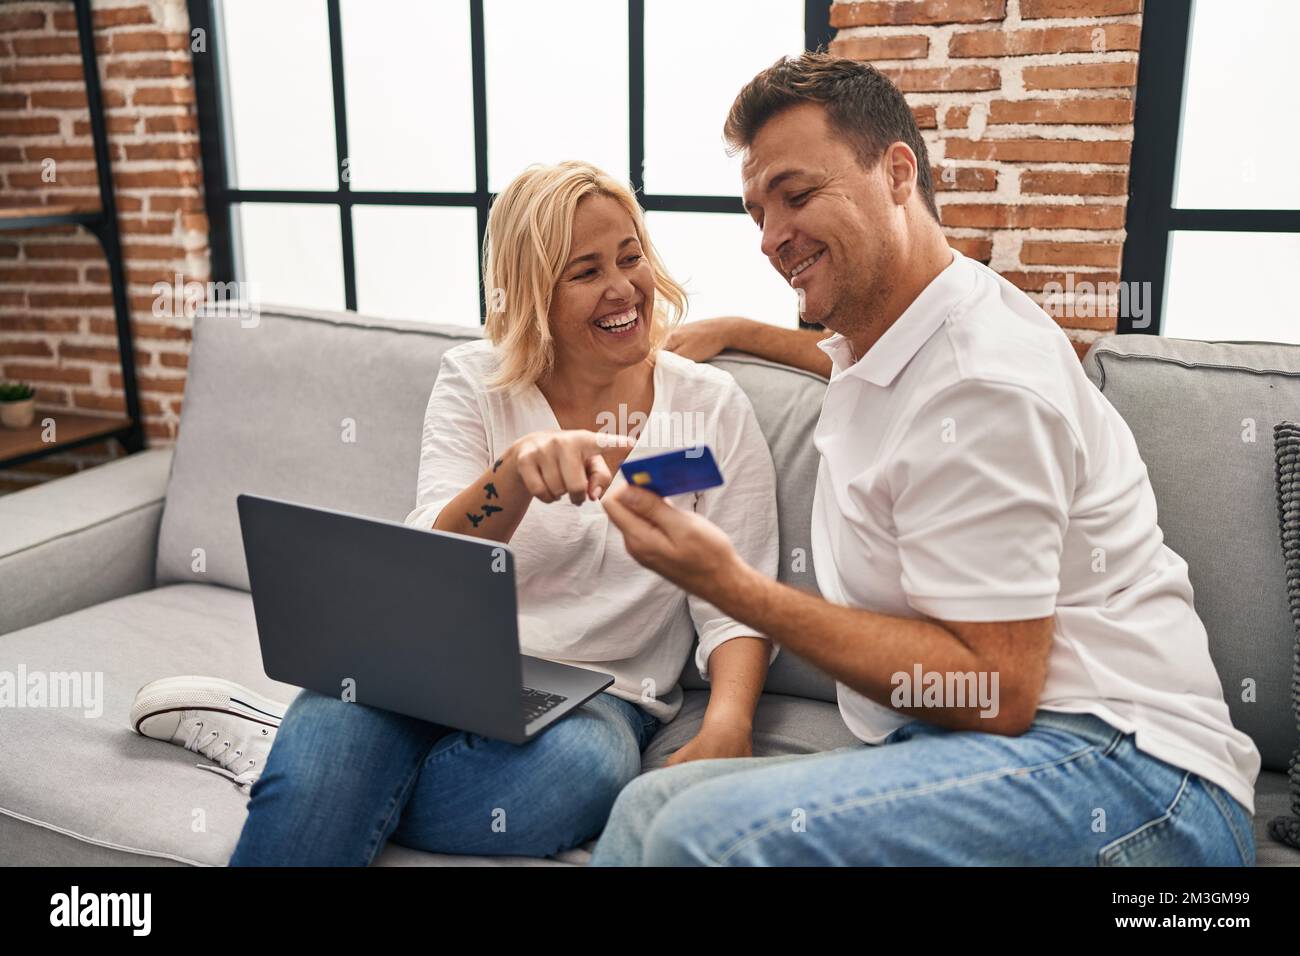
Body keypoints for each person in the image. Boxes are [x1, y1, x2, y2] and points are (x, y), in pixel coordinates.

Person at [593, 52, 1260, 867]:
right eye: (758, 213)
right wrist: (738, 331)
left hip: (1135, 773)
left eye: (798, 197)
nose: (771, 238)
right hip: (972, 750)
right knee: (647, 805)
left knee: (699, 838)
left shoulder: (981, 382)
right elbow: (845, 366)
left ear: (897, 173)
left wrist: (736, 591)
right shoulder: (901, 333)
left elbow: (996, 689)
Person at [135, 160, 779, 865]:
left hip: (596, 695)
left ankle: (290, 768)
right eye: (585, 271)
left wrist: (728, 723)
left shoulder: (710, 408)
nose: (624, 288)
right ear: (532, 292)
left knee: (578, 776)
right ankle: (310, 772)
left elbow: (737, 599)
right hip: (424, 662)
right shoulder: (474, 382)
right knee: (337, 739)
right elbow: (427, 564)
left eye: (631, 257)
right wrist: (515, 475)